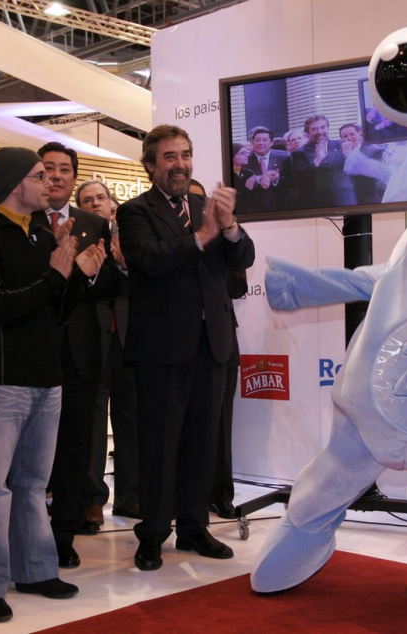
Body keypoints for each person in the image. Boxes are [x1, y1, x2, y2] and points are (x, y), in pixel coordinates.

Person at [0, 147, 104, 623]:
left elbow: (57, 311)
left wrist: (80, 278)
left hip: (47, 376)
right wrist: (56, 276)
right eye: (39, 176)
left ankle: (36, 569)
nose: (49, 183)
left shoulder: (45, 233)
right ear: (14, 182)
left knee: (32, 484)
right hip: (1, 379)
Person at [117, 125, 255, 571]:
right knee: (159, 444)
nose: (180, 164)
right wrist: (203, 235)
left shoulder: (206, 207)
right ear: (151, 165)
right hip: (161, 348)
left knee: (202, 442)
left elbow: (243, 259)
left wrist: (228, 226)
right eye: (170, 157)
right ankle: (153, 534)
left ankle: (195, 528)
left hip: (211, 343)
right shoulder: (135, 211)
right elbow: (148, 261)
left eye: (186, 155)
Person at [39, 143, 120, 567]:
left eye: (64, 170)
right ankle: (29, 532)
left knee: (75, 449)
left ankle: (64, 535)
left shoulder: (93, 222)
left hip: (82, 350)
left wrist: (111, 268)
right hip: (32, 351)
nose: (56, 176)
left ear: (74, 177)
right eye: (48, 169)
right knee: (32, 453)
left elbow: (106, 287)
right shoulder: (21, 220)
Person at [75, 180, 141, 522]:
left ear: (112, 204)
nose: (95, 204)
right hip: (92, 342)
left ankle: (130, 495)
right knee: (93, 423)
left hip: (128, 340)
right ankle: (91, 498)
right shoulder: (74, 241)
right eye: (87, 200)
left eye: (101, 197)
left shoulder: (129, 237)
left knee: (131, 421)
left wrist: (125, 265)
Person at [187, 180, 246, 520]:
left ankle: (220, 493)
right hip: (177, 340)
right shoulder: (173, 240)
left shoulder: (225, 237)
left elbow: (239, 284)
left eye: (202, 200)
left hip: (221, 340)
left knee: (220, 423)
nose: (198, 207)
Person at [288, 114, 356, 209]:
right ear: (307, 133)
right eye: (314, 129)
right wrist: (318, 160)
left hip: (344, 199)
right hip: (317, 204)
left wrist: (348, 157)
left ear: (328, 128)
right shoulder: (299, 153)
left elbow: (353, 172)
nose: (320, 132)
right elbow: (301, 180)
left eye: (323, 127)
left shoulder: (341, 145)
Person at [339, 123, 392, 204]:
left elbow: (372, 174)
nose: (349, 138)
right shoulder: (338, 155)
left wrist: (350, 157)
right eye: (345, 136)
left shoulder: (373, 151)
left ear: (359, 134)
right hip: (346, 202)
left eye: (352, 134)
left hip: (368, 200)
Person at [243, 126, 291, 212]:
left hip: (279, 206)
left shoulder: (284, 157)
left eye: (265, 140)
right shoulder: (245, 159)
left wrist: (277, 179)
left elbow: (291, 180)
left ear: (271, 142)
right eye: (257, 140)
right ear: (251, 142)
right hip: (253, 207)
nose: (261, 143)